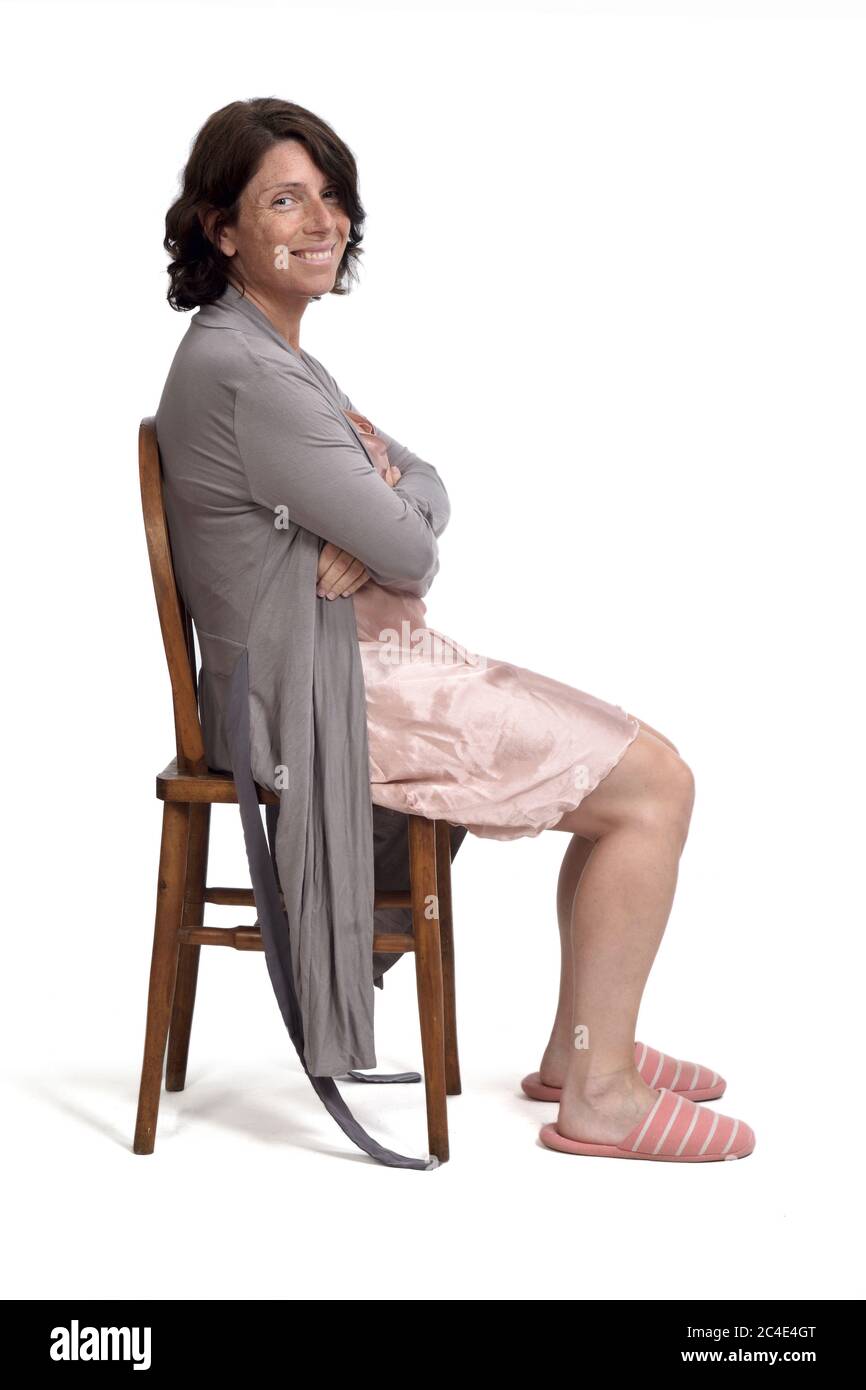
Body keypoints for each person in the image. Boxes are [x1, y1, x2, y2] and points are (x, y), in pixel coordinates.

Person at [160, 97, 755, 1163]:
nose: (319, 220)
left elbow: (423, 490)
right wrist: (384, 520)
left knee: (636, 775)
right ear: (222, 228)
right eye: (283, 199)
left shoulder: (268, 355)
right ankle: (599, 1092)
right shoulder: (257, 377)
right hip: (319, 697)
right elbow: (415, 548)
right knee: (652, 785)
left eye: (330, 197)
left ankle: (585, 1050)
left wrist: (385, 511)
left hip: (355, 664)